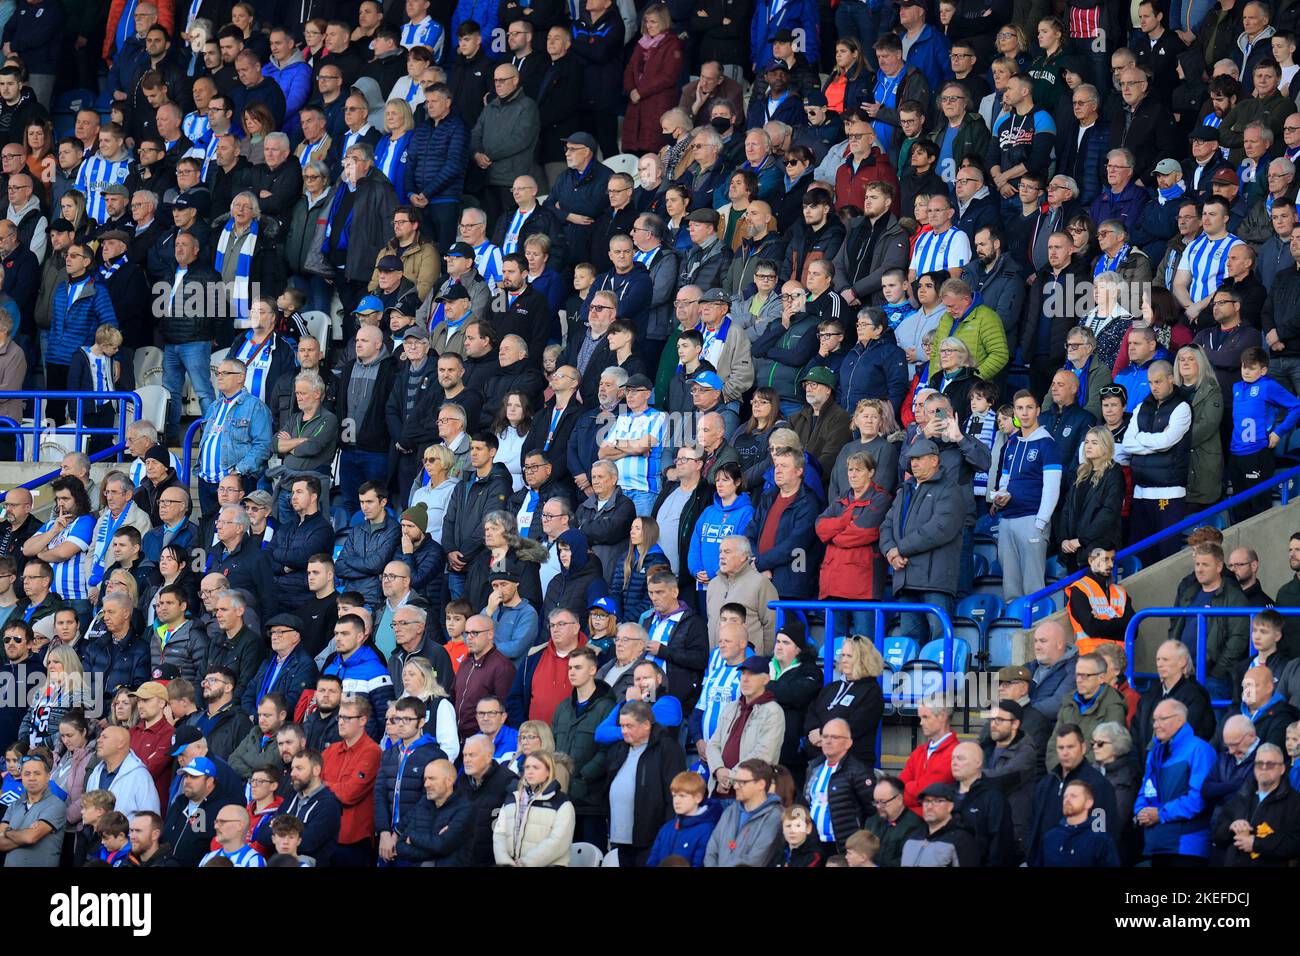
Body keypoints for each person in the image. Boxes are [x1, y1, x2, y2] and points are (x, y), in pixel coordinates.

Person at [1135, 698, 1217, 865]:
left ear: (1180, 720)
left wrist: (1160, 814)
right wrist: (1141, 811)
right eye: (1154, 720)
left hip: (1188, 848)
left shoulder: (1199, 749)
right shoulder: (1154, 753)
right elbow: (1146, 789)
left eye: (1162, 719)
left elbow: (1199, 799)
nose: (1155, 725)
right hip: (1156, 844)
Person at [1169, 543, 1251, 704]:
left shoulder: (1235, 598)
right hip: (1183, 674)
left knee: (1212, 725)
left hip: (1214, 679)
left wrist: (1218, 672)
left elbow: (1239, 638)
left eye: (1205, 564)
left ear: (1219, 566)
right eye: (1197, 564)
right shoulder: (1188, 593)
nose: (1199, 569)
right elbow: (1175, 627)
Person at [1212, 742, 1300, 866]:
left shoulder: (1295, 803)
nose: (1264, 768)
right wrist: (1230, 827)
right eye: (1259, 763)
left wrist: (1256, 844)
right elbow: (1217, 836)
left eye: (1270, 764)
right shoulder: (1241, 796)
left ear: (1282, 769)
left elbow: (1296, 844)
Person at [492, 750, 574, 867]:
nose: (530, 771)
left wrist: (525, 863)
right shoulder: (512, 798)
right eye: (527, 767)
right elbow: (499, 833)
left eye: (536, 767)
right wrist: (505, 862)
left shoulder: (562, 803)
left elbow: (558, 841)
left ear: (548, 772)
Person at [0, 750, 65, 868]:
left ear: (48, 777)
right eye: (27, 774)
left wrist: (7, 832)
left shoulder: (56, 805)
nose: (31, 778)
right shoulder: (14, 805)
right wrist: (23, 835)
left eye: (37, 773)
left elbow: (31, 837)